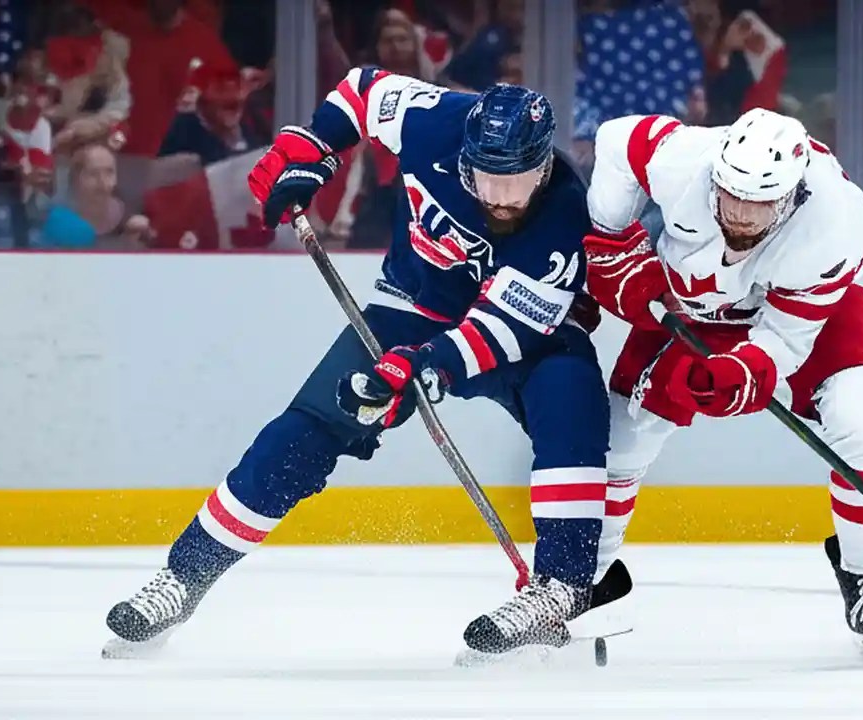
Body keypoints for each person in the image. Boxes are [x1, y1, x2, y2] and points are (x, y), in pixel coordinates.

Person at [101, 66, 623, 658]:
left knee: (572, 399)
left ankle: (559, 587)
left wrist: (425, 367)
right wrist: (315, 146)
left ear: (544, 167)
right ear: (466, 156)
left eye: (518, 183)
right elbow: (362, 89)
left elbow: (503, 330)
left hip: (518, 332)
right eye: (488, 181)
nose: (501, 200)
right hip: (411, 306)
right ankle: (183, 578)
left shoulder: (564, 214)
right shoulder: (433, 123)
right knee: (309, 428)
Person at [582, 108, 863, 661]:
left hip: (799, 313)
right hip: (688, 305)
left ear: (792, 196)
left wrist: (748, 369)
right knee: (618, 440)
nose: (741, 216)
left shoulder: (836, 223)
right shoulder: (683, 159)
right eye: (731, 197)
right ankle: (584, 581)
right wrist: (612, 241)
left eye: (761, 204)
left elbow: (787, 336)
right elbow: (615, 140)